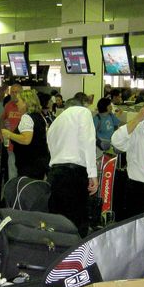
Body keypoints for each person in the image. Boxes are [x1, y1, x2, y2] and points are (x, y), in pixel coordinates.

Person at [46, 94, 98, 237]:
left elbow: (50, 148)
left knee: (58, 222)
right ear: (81, 104)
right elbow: (88, 141)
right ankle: (77, 257)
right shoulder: (83, 112)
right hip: (74, 174)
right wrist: (92, 174)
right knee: (77, 222)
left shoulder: (55, 122)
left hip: (55, 174)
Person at [1, 90, 49, 180]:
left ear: (26, 103)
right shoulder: (40, 116)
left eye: (19, 101)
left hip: (29, 164)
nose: (17, 104)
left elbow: (26, 139)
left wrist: (9, 134)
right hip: (40, 162)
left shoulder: (27, 117)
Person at [0, 84, 24, 180]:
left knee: (23, 172)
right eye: (12, 92)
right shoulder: (8, 106)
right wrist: (1, 135)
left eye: (16, 92)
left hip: (23, 144)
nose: (14, 94)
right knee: (12, 172)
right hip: (11, 145)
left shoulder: (25, 106)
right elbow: (2, 120)